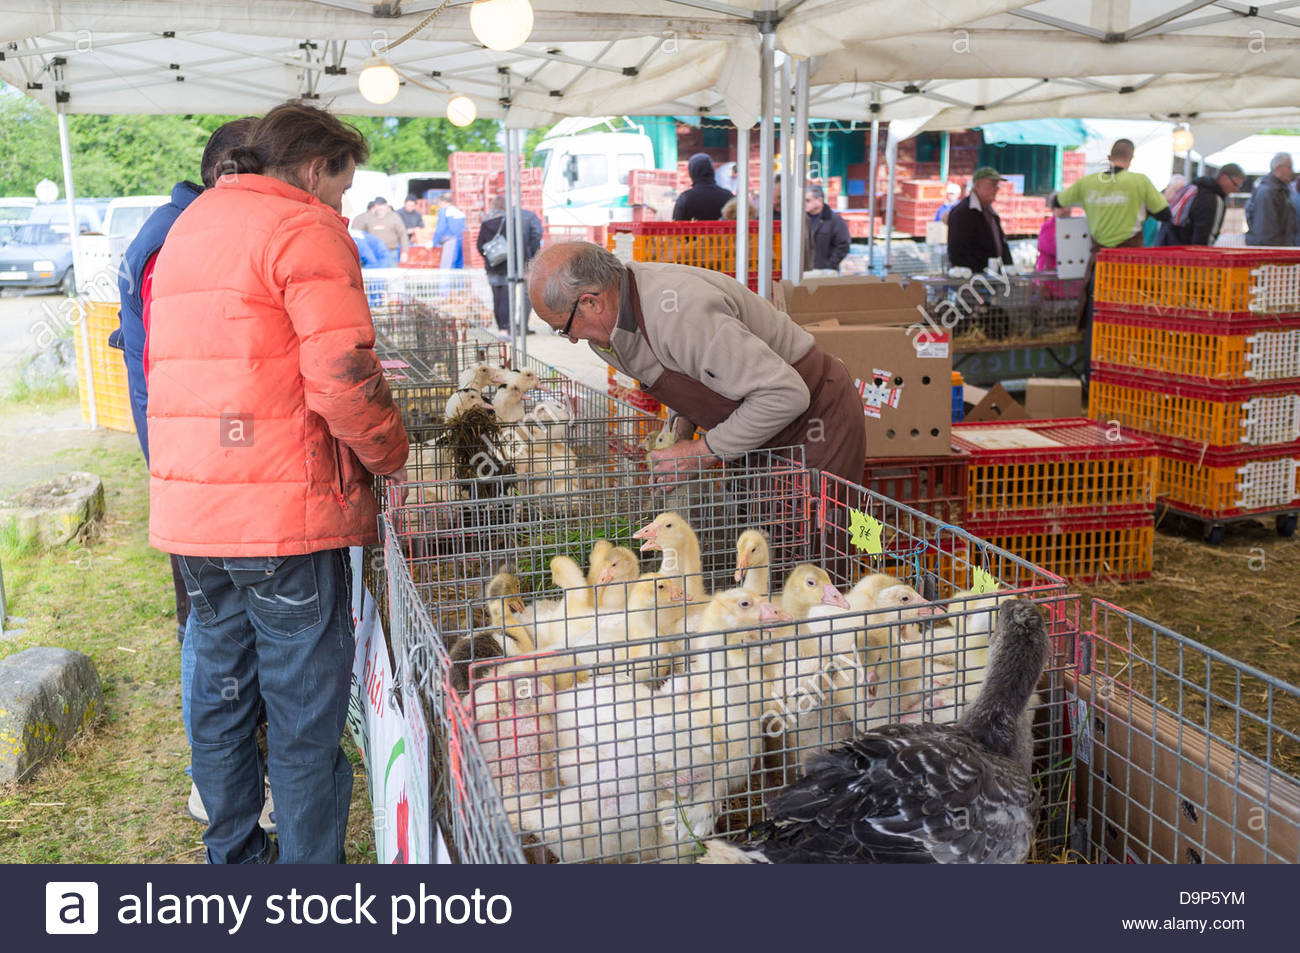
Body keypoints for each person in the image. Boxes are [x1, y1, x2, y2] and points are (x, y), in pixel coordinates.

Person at [147, 101, 409, 864]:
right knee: (303, 719)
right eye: (343, 186)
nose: (343, 205)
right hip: (280, 516)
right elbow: (341, 375)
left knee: (221, 695)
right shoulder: (304, 226)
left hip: (198, 512)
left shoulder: (193, 224)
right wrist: (391, 455)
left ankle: (233, 861)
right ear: (314, 167)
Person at [112, 116, 257, 831]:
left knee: (211, 628)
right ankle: (219, 787)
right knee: (212, 633)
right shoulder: (179, 239)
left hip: (192, 466)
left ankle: (223, 781)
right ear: (237, 176)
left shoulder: (170, 230)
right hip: (201, 471)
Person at [526, 242, 865, 483]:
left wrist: (700, 452)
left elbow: (785, 394)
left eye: (564, 327)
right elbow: (691, 372)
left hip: (814, 423)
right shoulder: (611, 329)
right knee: (759, 547)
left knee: (816, 553)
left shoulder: (679, 314)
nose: (570, 339)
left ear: (590, 302)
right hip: (756, 433)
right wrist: (681, 430)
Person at [1053, 139, 1172, 379]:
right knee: (1129, 319)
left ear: (1109, 157)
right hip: (1131, 264)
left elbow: (1057, 201)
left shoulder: (1087, 183)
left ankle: (1092, 378)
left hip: (1101, 262)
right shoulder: (1139, 182)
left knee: (1096, 320)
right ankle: (1126, 377)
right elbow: (1166, 214)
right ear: (1131, 158)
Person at [477, 193, 543, 339]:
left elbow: (479, 245)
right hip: (509, 266)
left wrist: (490, 258)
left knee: (496, 297)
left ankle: (501, 327)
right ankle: (506, 330)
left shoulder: (486, 222)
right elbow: (520, 245)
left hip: (493, 266)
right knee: (507, 297)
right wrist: (525, 265)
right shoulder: (511, 222)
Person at [1156, 163, 1245, 247]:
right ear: (1224, 178)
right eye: (1235, 184)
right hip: (1183, 254)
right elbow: (1205, 237)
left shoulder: (1193, 187)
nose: (1236, 190)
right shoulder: (1212, 198)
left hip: (1164, 246)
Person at [946, 167, 1014, 273]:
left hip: (991, 280)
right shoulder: (962, 212)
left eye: (997, 185)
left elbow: (1001, 244)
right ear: (977, 185)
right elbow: (956, 252)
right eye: (992, 184)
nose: (996, 189)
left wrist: (1008, 266)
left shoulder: (990, 211)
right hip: (972, 281)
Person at [1245, 152, 1299, 246]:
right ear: (1278, 168)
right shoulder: (1268, 192)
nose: (1292, 172)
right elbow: (1266, 232)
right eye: (1289, 167)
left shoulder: (1282, 190)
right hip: (1273, 254)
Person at [804, 184, 851, 272]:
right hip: (804, 272)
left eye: (808, 200)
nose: (804, 204)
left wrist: (829, 265)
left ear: (820, 200)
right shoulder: (801, 220)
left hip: (825, 272)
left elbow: (843, 245)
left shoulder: (835, 220)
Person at [673, 153, 732, 221]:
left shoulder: (685, 199)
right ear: (712, 170)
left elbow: (677, 225)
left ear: (692, 171)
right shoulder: (728, 197)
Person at [431, 196, 466, 268]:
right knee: (459, 267)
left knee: (448, 267)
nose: (438, 205)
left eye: (439, 203)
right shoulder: (458, 212)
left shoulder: (444, 211)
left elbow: (440, 228)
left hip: (451, 241)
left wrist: (434, 242)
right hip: (462, 241)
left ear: (443, 202)